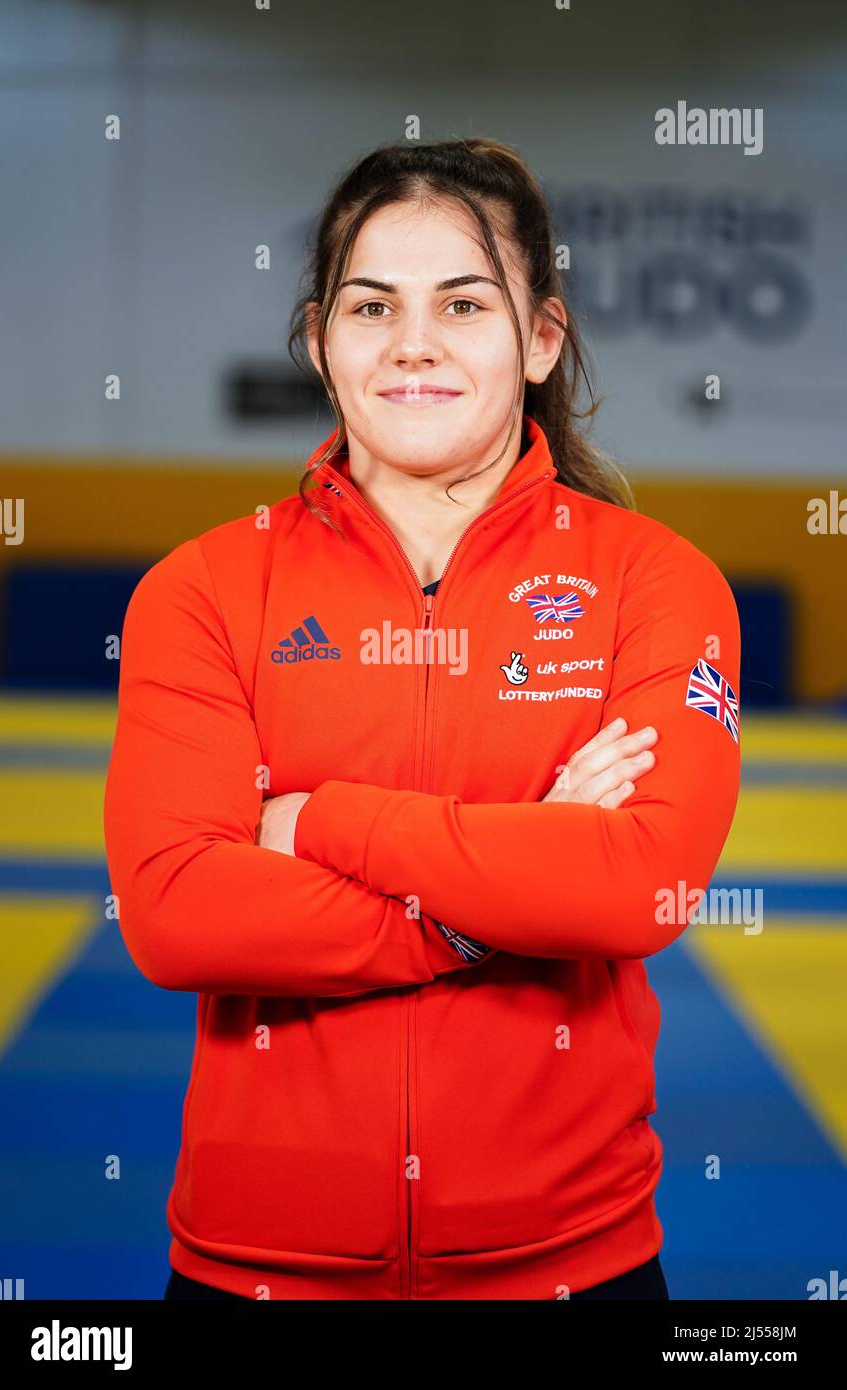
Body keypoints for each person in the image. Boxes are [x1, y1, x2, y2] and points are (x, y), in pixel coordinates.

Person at [103, 137, 741, 1301]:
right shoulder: (201, 590)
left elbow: (636, 883)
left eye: (461, 302)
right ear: (317, 340)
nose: (411, 343)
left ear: (540, 337)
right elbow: (175, 915)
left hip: (566, 1269)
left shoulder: (656, 583)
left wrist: (317, 821)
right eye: (369, 305)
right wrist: (496, 894)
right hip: (257, 1271)